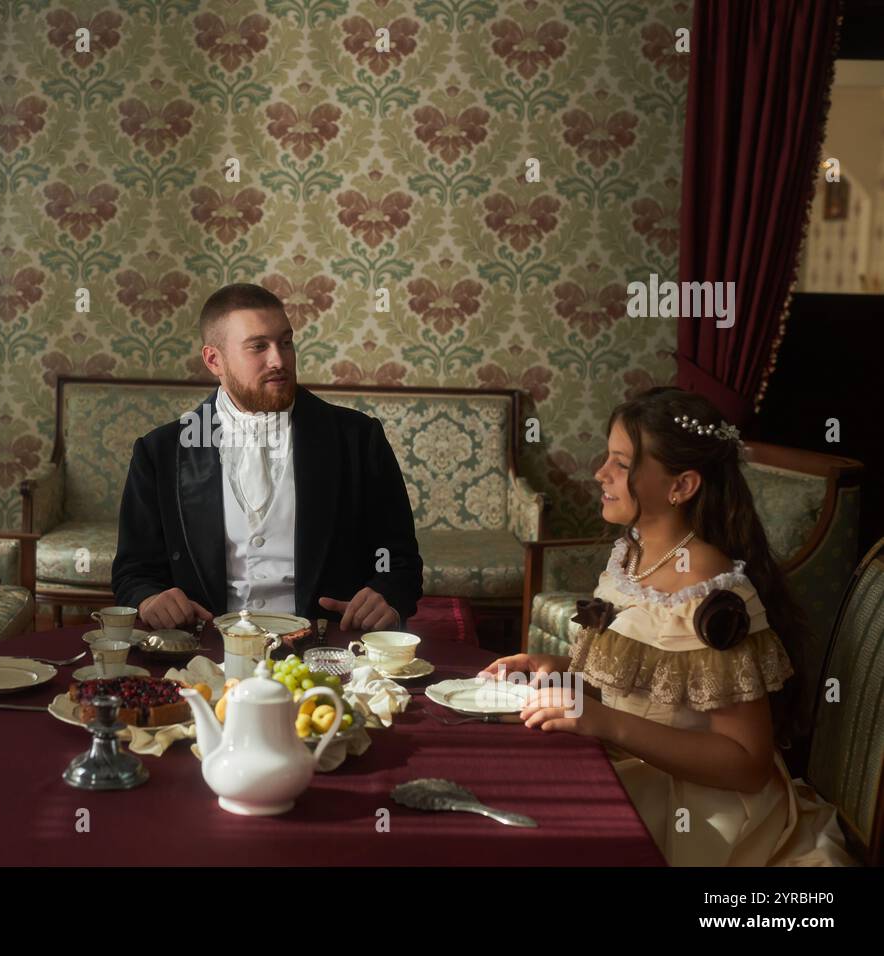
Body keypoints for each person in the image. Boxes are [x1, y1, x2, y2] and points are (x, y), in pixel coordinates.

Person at [479, 386, 854, 866]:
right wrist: (553, 669)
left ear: (681, 486)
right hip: (630, 766)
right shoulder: (630, 556)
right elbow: (637, 689)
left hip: (699, 810)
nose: (601, 474)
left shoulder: (712, 595)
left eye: (621, 463)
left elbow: (747, 764)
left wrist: (606, 722)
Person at [112, 283, 423, 632]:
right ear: (214, 360)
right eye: (258, 346)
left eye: (285, 342)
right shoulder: (160, 452)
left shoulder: (358, 439)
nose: (278, 360)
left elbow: (398, 561)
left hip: (326, 649)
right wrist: (149, 598)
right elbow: (133, 572)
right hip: (207, 652)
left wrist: (386, 594)